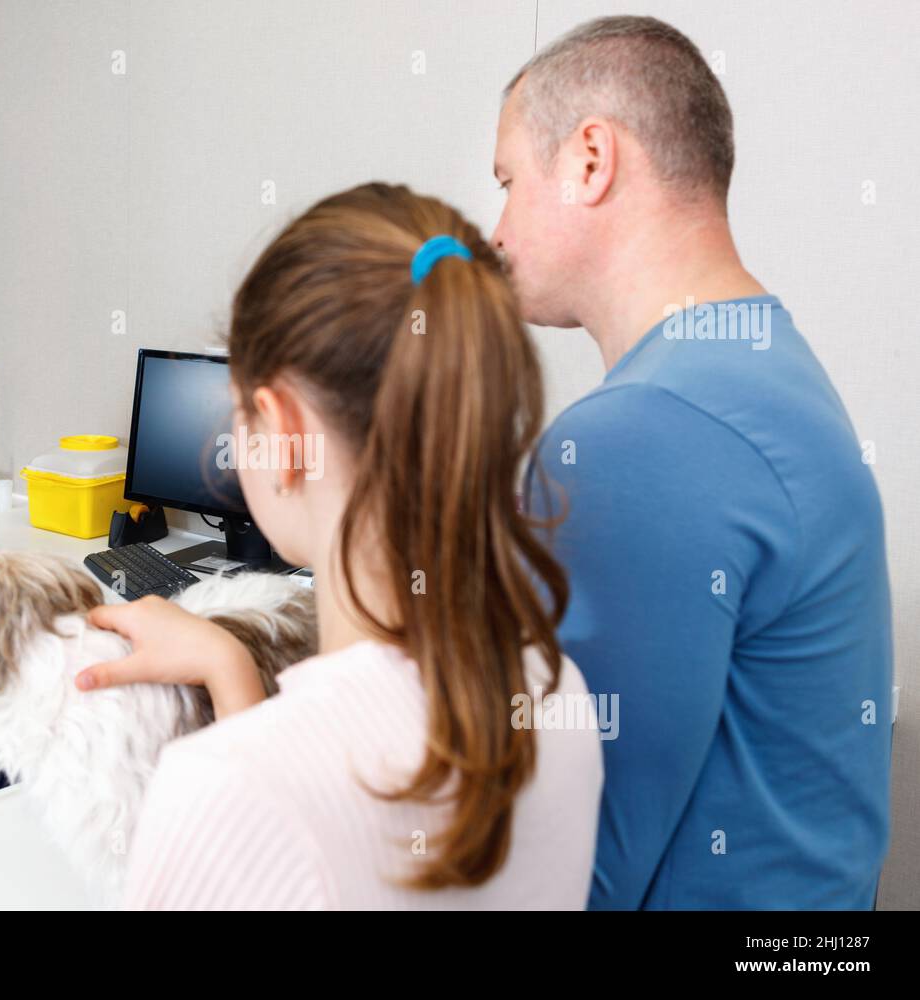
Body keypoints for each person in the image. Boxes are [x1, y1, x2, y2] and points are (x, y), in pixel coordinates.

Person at [77, 183, 603, 908]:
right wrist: (231, 668)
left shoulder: (220, 791)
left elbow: (286, 807)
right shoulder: (554, 694)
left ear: (281, 429)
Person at [491, 16, 892, 908]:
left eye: (509, 182)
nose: (498, 229)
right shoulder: (762, 357)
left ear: (590, 159)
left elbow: (571, 878)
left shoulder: (641, 429)